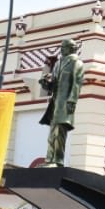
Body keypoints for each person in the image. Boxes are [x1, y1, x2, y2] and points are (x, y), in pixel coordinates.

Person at [39, 38, 85, 166]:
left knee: (60, 131)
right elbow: (53, 84)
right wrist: (46, 82)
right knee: (52, 132)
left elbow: (77, 83)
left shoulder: (77, 63)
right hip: (55, 102)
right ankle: (49, 159)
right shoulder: (59, 63)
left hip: (65, 102)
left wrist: (72, 100)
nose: (61, 49)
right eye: (61, 47)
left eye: (63, 47)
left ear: (71, 48)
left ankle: (57, 161)